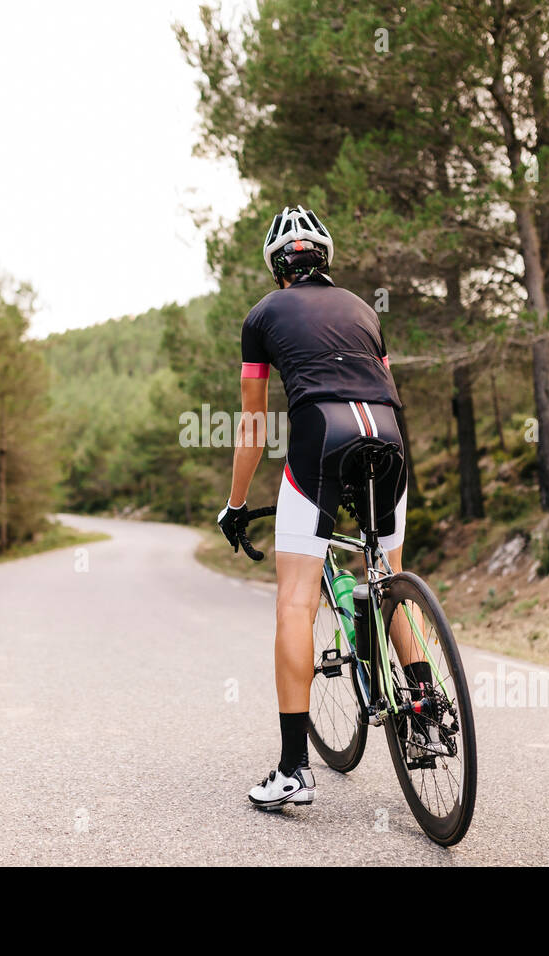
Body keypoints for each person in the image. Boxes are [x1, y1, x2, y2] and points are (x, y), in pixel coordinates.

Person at [217, 205, 424, 811]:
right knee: (388, 580)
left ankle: (292, 771)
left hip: (320, 441)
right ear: (323, 258)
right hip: (387, 440)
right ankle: (425, 708)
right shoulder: (363, 309)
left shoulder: (263, 315)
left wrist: (235, 505)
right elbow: (387, 387)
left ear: (278, 267)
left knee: (297, 599)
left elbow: (253, 426)